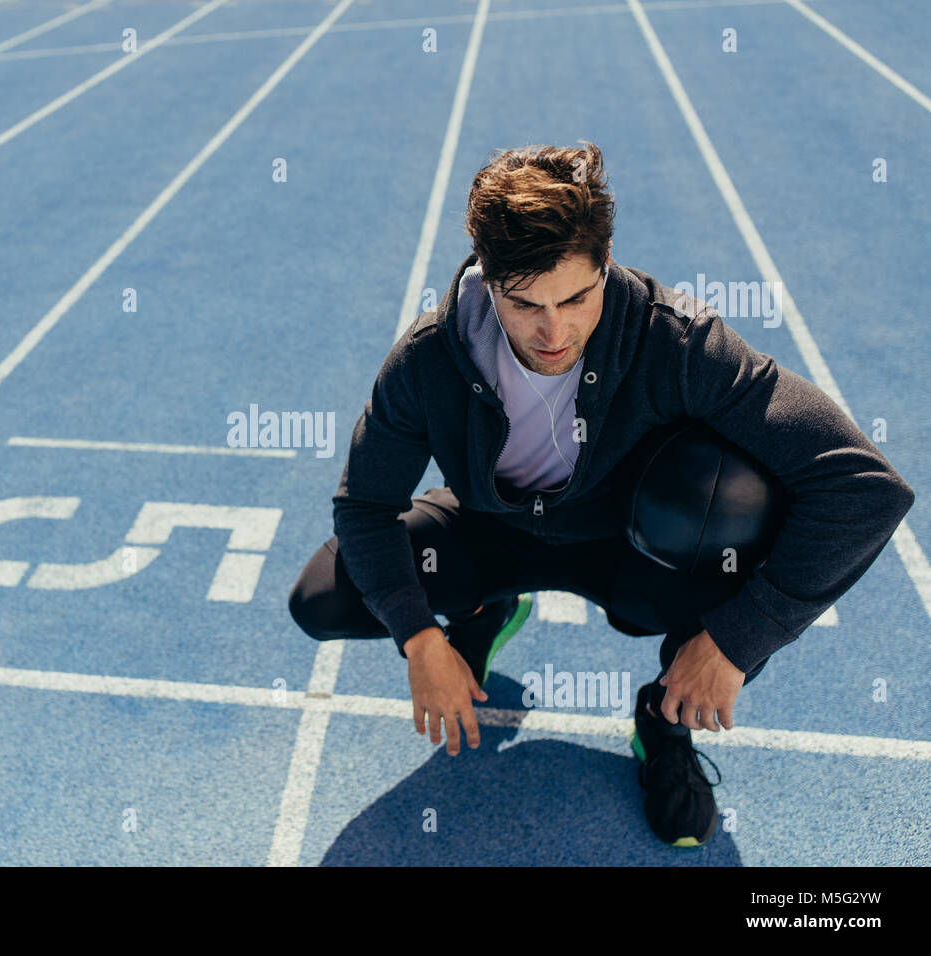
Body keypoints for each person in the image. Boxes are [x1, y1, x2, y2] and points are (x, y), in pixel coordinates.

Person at [287, 142, 915, 847]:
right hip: (495, 527)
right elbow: (364, 507)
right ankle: (478, 609)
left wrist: (741, 640)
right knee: (322, 596)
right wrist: (418, 637)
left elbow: (863, 485)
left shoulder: (676, 342)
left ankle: (665, 723)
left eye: (576, 298)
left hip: (632, 549)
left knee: (745, 520)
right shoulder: (430, 356)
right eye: (524, 304)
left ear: (606, 260)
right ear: (488, 278)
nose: (554, 331)